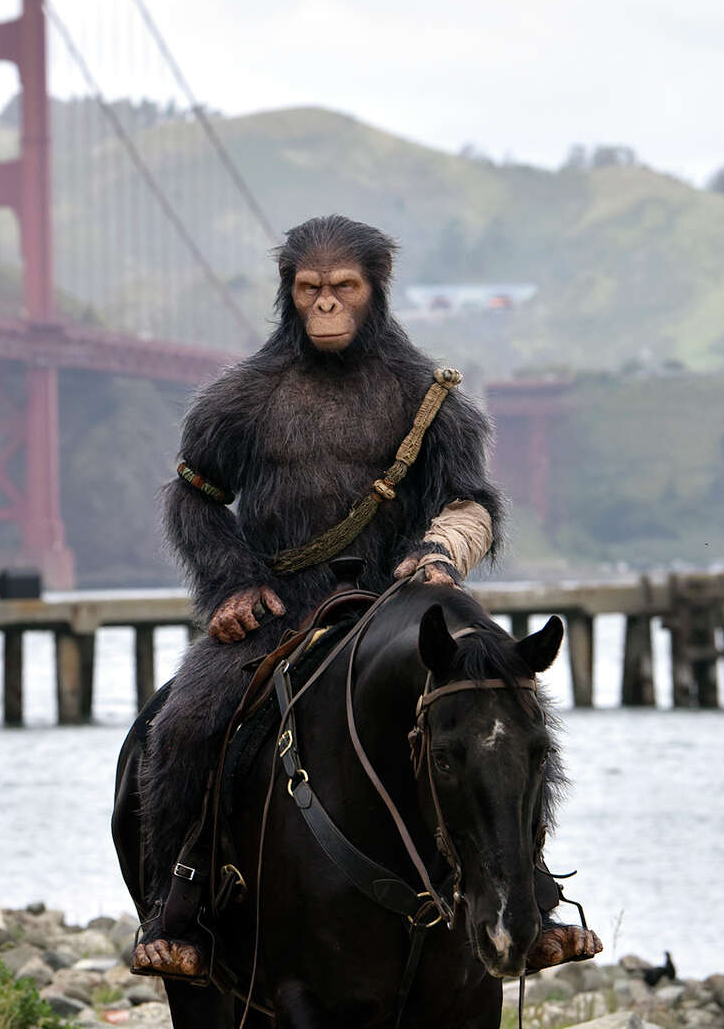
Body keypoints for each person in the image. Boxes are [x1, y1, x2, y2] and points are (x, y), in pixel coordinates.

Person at [131, 216, 600, 980]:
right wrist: (230, 584)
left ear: (375, 290)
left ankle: (532, 893)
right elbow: (194, 502)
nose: (324, 305)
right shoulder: (239, 398)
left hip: (401, 605)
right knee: (184, 724)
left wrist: (440, 551)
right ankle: (177, 911)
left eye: (342, 289)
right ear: (288, 291)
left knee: (508, 705)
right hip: (277, 608)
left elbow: (473, 503)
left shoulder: (426, 394)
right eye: (310, 289)